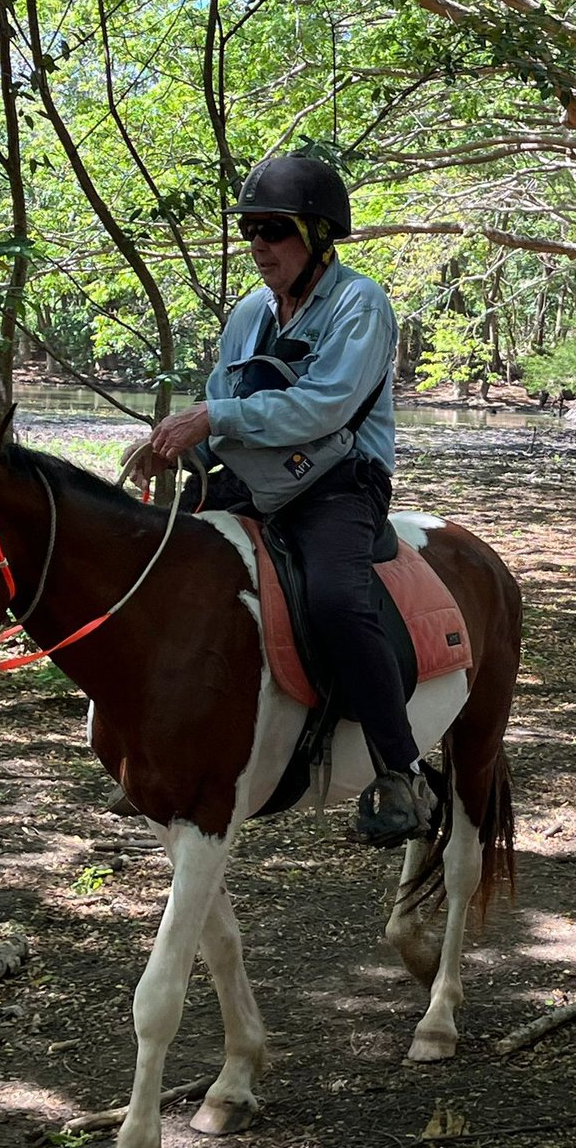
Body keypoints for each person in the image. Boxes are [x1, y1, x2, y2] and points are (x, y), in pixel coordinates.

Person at [141, 153, 436, 848]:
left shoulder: (362, 305)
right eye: (250, 230)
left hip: (339, 480)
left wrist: (213, 421)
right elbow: (224, 396)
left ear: (318, 237)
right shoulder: (249, 313)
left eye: (273, 229)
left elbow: (324, 406)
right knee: (157, 574)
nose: (258, 245)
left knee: (335, 599)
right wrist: (181, 445)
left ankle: (402, 771)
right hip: (248, 475)